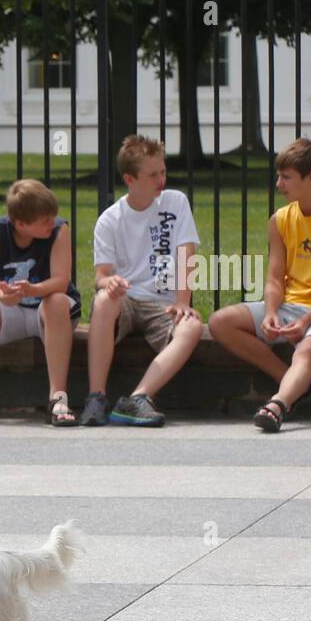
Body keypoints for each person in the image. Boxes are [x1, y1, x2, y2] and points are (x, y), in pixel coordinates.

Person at [209, 138, 311, 433]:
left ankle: (278, 404)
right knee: (220, 322)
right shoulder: (279, 220)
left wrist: (305, 321)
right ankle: (294, 383)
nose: (279, 184)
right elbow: (275, 278)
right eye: (279, 176)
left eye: (286, 177)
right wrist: (270, 312)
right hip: (290, 305)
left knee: (307, 351)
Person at [85, 135, 202, 427]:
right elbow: (101, 275)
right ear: (129, 178)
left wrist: (182, 301)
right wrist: (109, 283)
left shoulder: (176, 202)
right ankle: (96, 396)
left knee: (192, 326)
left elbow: (186, 252)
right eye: (152, 175)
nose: (161, 179)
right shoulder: (110, 220)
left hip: (162, 304)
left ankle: (139, 398)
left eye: (162, 171)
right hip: (126, 299)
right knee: (103, 301)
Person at [0, 179, 80, 426]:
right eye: (44, 220)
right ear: (20, 224)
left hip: (50, 311)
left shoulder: (59, 230)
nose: (51, 223)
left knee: (55, 301)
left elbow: (61, 282)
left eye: (52, 216)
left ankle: (58, 397)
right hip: (12, 308)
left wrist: (34, 289)